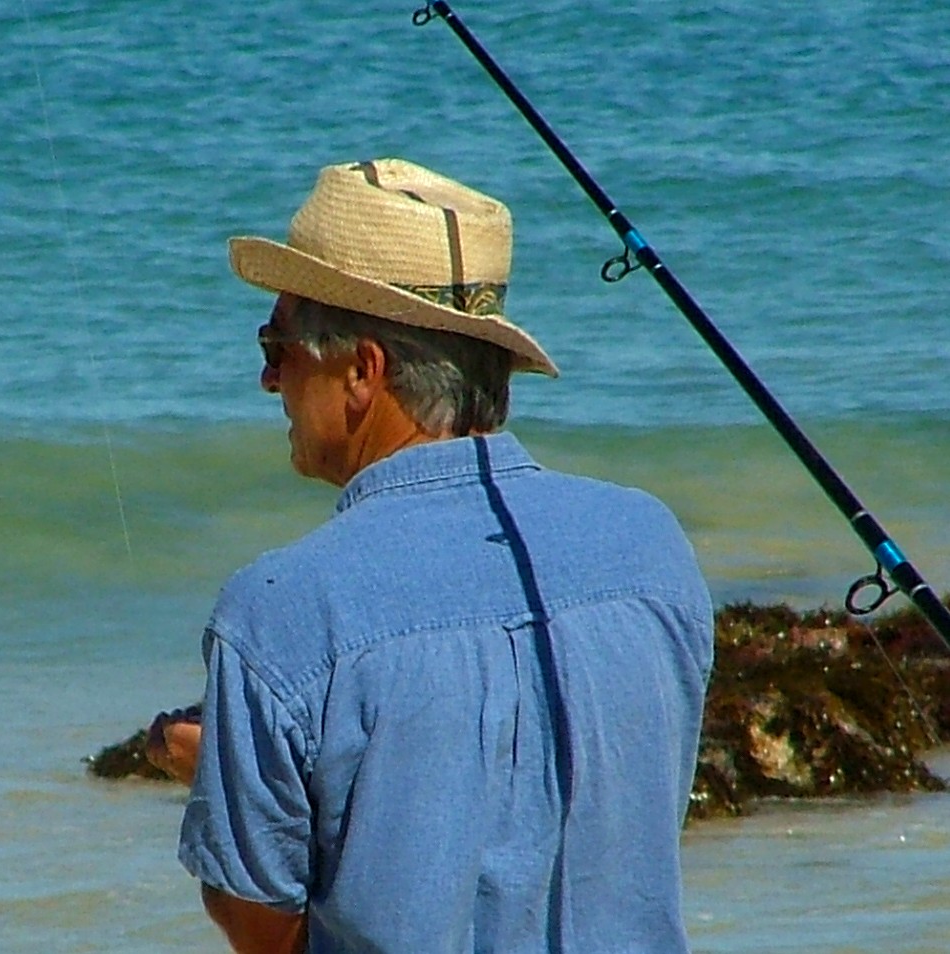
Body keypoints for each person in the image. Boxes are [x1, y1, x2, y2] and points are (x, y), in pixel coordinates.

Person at [146, 157, 713, 954]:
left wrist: (226, 782)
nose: (268, 376)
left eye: (278, 343)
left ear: (363, 371)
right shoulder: (651, 546)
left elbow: (262, 933)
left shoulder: (278, 608)